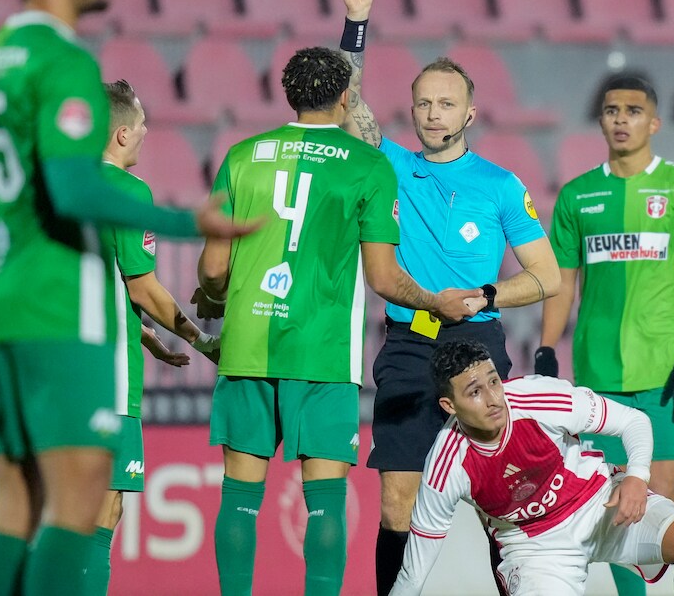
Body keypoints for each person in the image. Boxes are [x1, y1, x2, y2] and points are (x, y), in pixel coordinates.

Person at [0, 0, 253, 595]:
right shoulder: (63, 63)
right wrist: (181, 221)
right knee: (93, 497)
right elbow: (101, 228)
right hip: (65, 328)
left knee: (18, 494)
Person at [191, 45, 480, 596]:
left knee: (239, 500)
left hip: (248, 345)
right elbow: (384, 279)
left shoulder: (242, 154)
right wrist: (433, 302)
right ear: (345, 98)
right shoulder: (368, 166)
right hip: (323, 352)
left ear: (289, 96)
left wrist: (216, 293)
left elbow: (212, 269)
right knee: (323, 503)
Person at [335, 0, 562, 593]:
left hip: (479, 346)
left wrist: (489, 295)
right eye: (424, 102)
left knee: (501, 502)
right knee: (396, 504)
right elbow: (344, 103)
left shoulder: (500, 185)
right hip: (408, 346)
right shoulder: (390, 164)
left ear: (470, 111)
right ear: (413, 109)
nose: (433, 113)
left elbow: (545, 276)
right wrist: (357, 23)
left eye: (446, 102)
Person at [535, 75, 674, 595]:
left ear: (654, 122)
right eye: (612, 110)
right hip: (599, 374)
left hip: (663, 371)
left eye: (633, 110)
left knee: (661, 490)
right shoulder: (576, 196)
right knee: (620, 500)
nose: (621, 118)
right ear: (600, 120)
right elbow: (560, 281)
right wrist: (549, 346)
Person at [391, 339, 674, 596]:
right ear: (450, 405)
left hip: (600, 505)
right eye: (475, 392)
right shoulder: (446, 463)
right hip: (536, 549)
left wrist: (636, 477)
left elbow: (632, 421)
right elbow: (414, 571)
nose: (494, 398)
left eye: (494, 381)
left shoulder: (537, 398)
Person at [81, 79, 224, 595]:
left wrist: (138, 331)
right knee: (105, 507)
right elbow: (142, 287)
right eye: (141, 127)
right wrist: (201, 340)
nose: (144, 136)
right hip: (108, 376)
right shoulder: (127, 192)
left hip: (61, 366)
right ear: (121, 134)